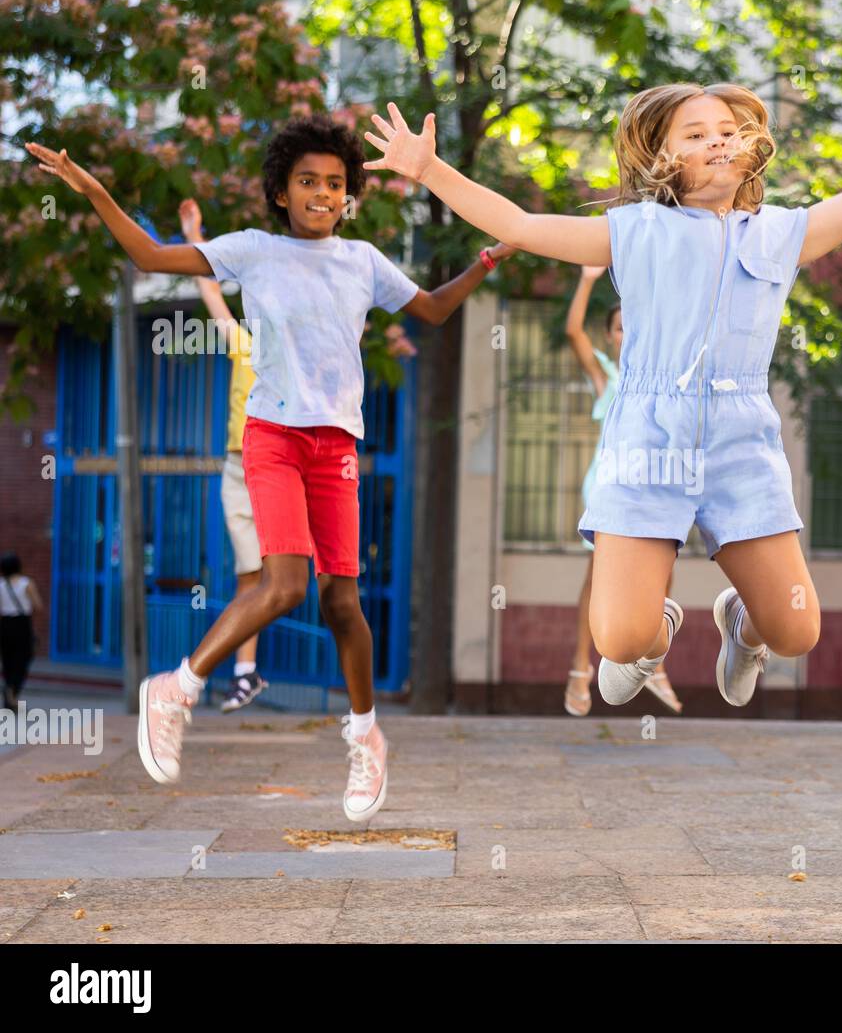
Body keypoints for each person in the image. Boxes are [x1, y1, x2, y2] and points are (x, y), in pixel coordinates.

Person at [364, 58, 842, 708]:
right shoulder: (635, 232)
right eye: (694, 134)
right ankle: (655, 631)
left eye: (727, 130)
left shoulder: (780, 232)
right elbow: (518, 226)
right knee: (620, 641)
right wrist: (428, 169)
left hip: (741, 439)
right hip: (648, 435)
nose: (717, 139)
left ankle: (740, 623)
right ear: (662, 157)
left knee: (796, 629)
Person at [28, 115, 514, 820]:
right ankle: (178, 686)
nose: (323, 193)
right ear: (282, 191)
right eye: (308, 181)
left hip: (336, 447)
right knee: (284, 582)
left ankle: (365, 737)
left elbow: (434, 310)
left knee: (342, 602)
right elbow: (150, 257)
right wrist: (89, 186)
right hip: (273, 438)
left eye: (336, 184)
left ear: (350, 196)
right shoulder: (252, 251)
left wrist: (487, 261)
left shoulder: (363, 260)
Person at [563, 266, 680, 716]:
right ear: (611, 336)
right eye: (619, 326)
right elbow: (572, 330)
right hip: (609, 486)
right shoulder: (608, 376)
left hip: (654, 484)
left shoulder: (663, 374)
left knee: (663, 576)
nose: (628, 332)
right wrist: (589, 279)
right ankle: (580, 666)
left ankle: (654, 660)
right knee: (599, 579)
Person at [179, 198, 268, 712]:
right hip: (237, 468)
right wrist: (195, 233)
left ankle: (244, 671)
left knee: (279, 579)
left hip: (276, 467)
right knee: (247, 575)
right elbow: (210, 289)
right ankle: (245, 672)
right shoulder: (242, 341)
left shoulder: (295, 348)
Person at [0, 552, 43, 712]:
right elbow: (38, 605)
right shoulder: (26, 583)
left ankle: (9, 690)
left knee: (8, 659)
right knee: (23, 658)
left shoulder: (1, 585)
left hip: (5, 624)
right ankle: (13, 691)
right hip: (22, 623)